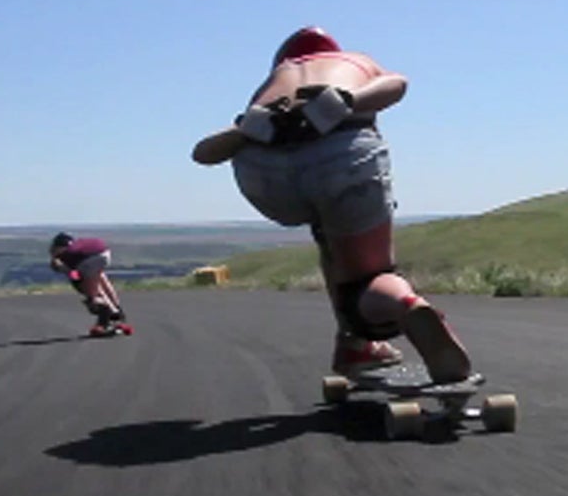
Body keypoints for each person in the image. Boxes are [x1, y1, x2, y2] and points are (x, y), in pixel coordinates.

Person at [191, 26, 471, 381]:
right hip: (342, 156)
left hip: (266, 177)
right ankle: (407, 306)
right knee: (369, 278)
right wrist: (346, 101)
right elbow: (398, 84)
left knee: (330, 241)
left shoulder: (275, 80)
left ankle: (355, 346)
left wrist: (246, 129)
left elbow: (202, 153)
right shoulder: (351, 61)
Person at [48, 232, 131, 336]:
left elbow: (75, 276)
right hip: (104, 252)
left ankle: (104, 320)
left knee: (92, 294)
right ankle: (116, 310)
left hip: (91, 259)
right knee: (100, 280)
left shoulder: (66, 256)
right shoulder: (78, 247)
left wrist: (89, 296)